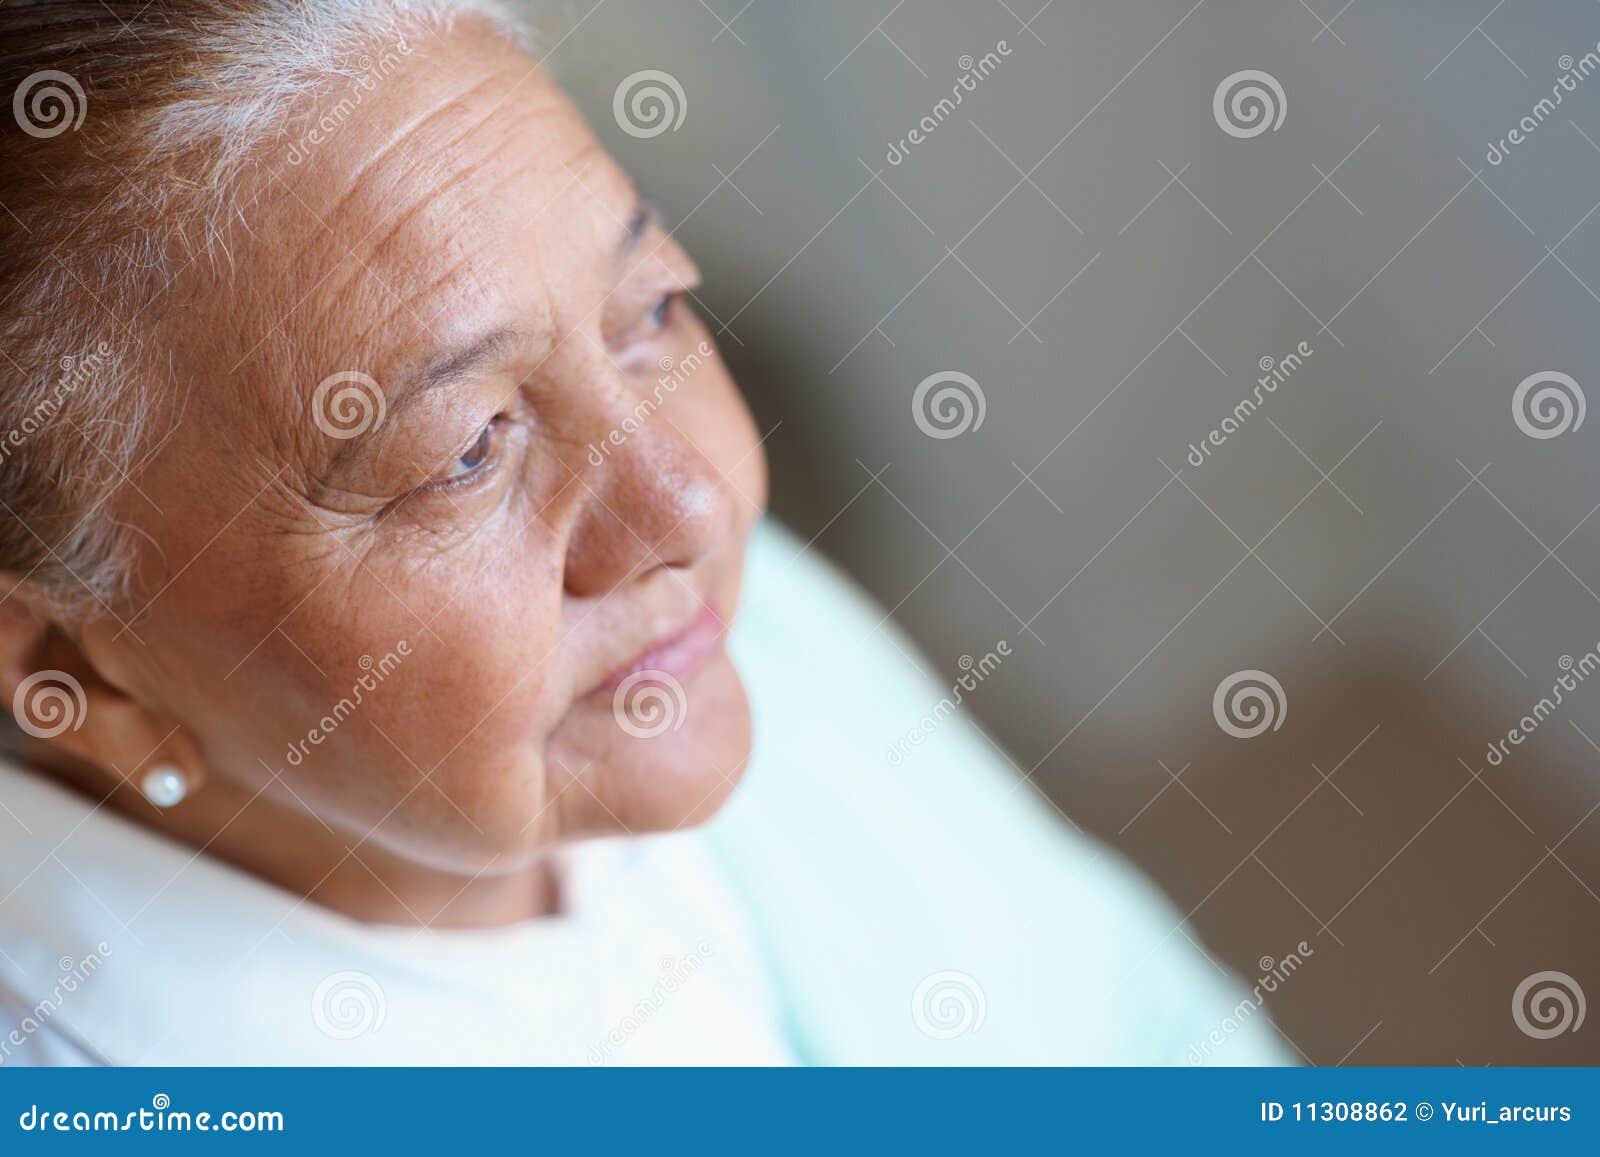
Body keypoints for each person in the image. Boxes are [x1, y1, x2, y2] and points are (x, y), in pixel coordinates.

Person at [0, 0, 1287, 1066]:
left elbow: (1152, 1032)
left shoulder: (720, 633)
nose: (690, 505)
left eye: (650, 307)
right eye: (463, 451)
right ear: (77, 676)